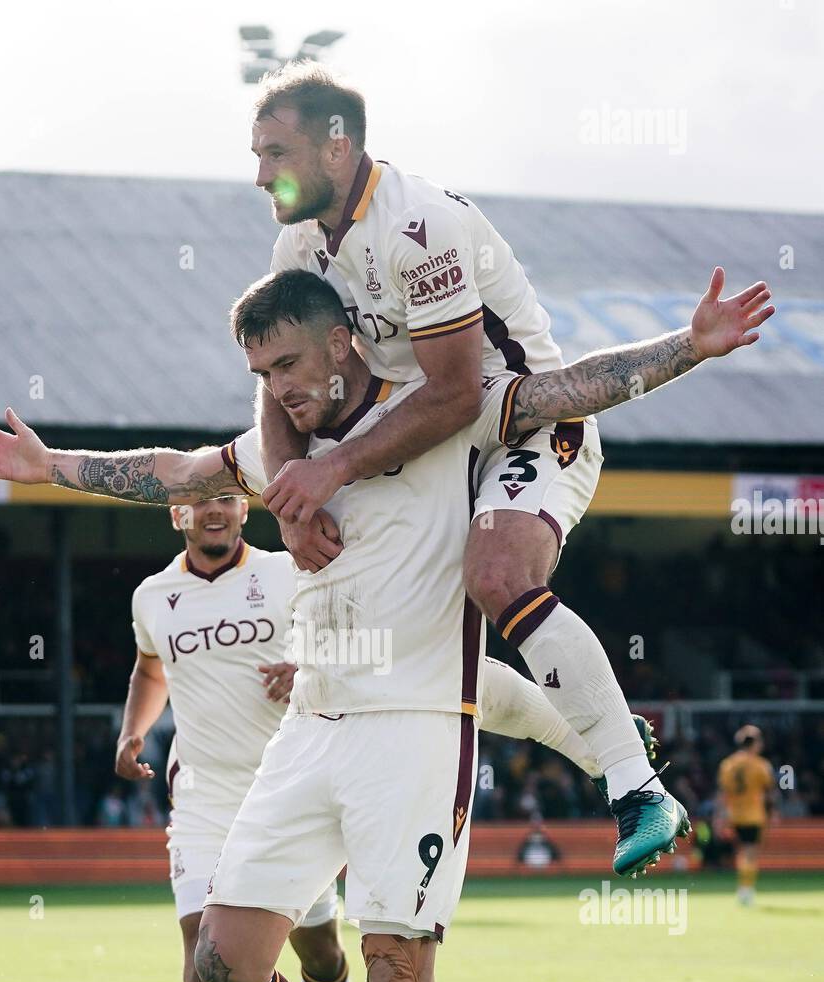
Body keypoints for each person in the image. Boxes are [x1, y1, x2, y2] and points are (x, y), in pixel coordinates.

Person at [0, 258, 771, 982]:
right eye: (263, 369)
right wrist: (55, 465)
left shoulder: (443, 408)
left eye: (291, 361)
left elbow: (569, 388)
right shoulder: (281, 448)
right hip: (309, 725)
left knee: (396, 974)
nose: (282, 386)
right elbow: (172, 470)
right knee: (223, 957)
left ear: (341, 340)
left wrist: (688, 348)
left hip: (414, 725)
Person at [248, 62, 774, 877]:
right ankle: (597, 739)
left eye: (275, 152)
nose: (260, 176)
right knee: (412, 653)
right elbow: (279, 381)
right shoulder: (297, 243)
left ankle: (637, 790)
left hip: (517, 423)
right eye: (256, 154)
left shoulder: (418, 225)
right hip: (416, 439)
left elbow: (460, 393)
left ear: (335, 145)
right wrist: (290, 495)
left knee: (496, 574)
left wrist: (334, 469)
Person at [119, 494, 374, 982]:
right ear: (177, 514)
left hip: (289, 792)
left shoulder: (287, 574)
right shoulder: (153, 596)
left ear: (243, 510)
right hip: (202, 798)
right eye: (197, 500)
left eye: (225, 498)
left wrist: (307, 669)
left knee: (318, 951)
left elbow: (355, 636)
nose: (212, 510)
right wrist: (133, 729)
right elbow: (151, 668)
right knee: (205, 954)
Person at [717, 725, 776, 905]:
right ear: (755, 743)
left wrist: (719, 816)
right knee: (751, 852)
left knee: (742, 851)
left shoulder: (728, 764)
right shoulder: (761, 765)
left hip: (734, 814)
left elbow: (722, 793)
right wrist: (772, 812)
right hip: (754, 814)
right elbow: (769, 791)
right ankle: (746, 889)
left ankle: (744, 888)